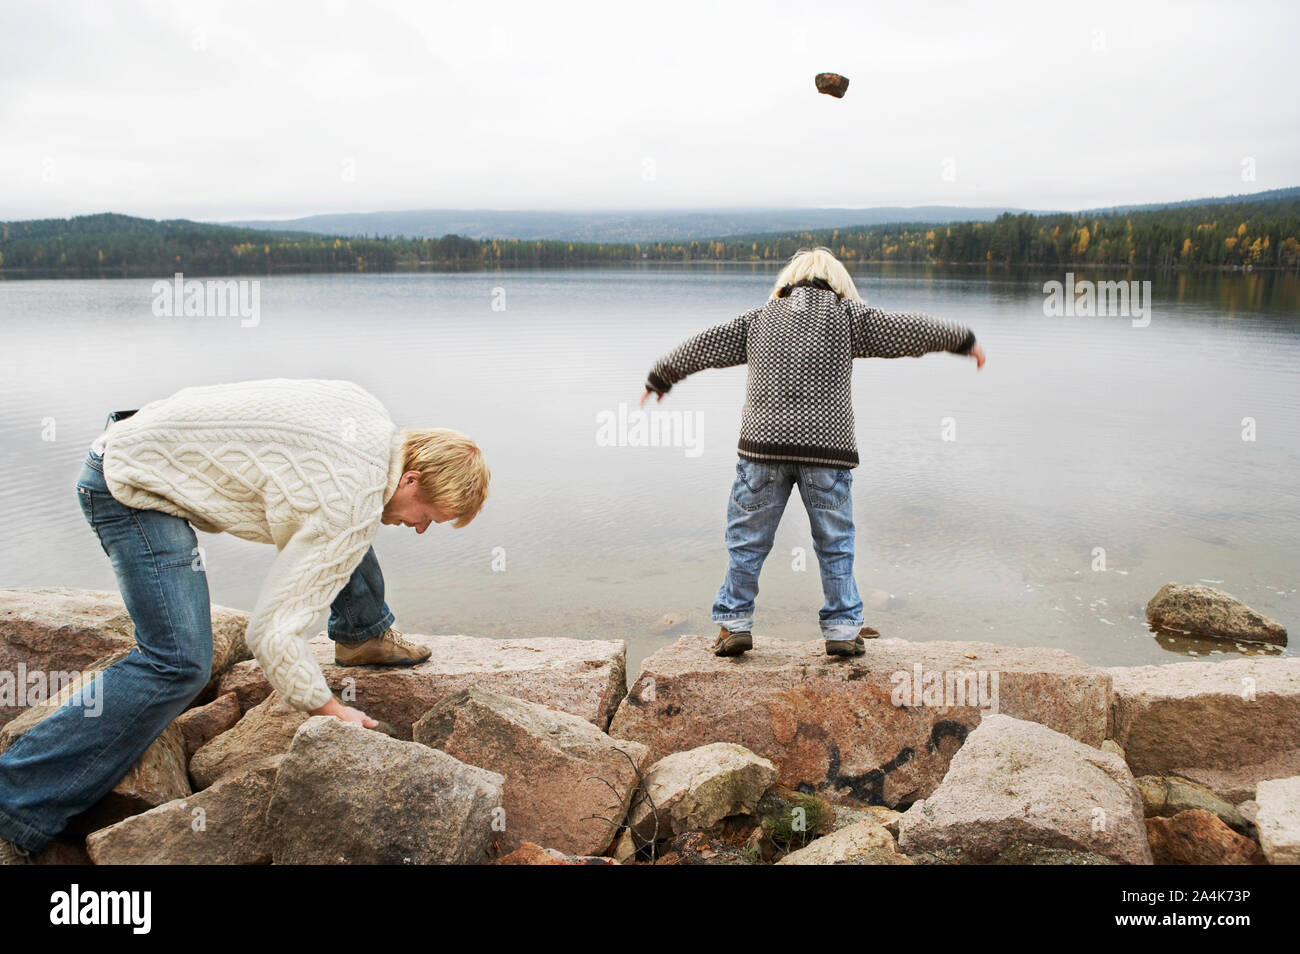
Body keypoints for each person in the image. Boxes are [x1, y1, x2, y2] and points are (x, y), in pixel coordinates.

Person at [0, 378, 490, 863]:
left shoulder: (365, 416)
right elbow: (270, 635)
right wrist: (331, 712)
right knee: (177, 663)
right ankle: (15, 802)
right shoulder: (349, 502)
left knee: (352, 516)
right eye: (427, 514)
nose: (421, 528)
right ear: (411, 479)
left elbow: (329, 502)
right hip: (129, 485)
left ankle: (362, 632)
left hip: (134, 435)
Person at [641, 247, 985, 659]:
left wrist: (662, 375)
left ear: (786, 281)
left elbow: (704, 346)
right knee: (835, 541)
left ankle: (734, 623)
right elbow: (911, 330)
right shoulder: (850, 317)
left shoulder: (758, 318)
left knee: (747, 541)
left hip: (762, 449)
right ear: (839, 283)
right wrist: (962, 340)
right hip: (827, 452)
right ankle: (842, 628)